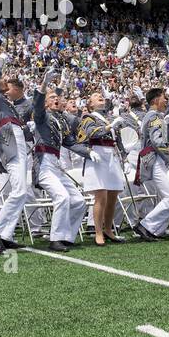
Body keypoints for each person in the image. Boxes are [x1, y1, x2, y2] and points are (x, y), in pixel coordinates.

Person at [32, 71, 88, 251]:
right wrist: (43, 84)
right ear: (46, 102)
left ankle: (67, 237)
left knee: (79, 201)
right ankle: (55, 239)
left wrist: (89, 152)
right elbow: (37, 104)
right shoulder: (42, 116)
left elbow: (70, 142)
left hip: (56, 164)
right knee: (62, 197)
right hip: (43, 164)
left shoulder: (61, 121)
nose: (56, 99)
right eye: (52, 97)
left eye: (58, 97)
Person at [0, 56, 29, 254]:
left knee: (21, 191)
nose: (6, 82)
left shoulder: (6, 102)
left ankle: (6, 235)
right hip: (10, 141)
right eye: (4, 80)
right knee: (19, 190)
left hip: (17, 139)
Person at [133, 87, 169, 243]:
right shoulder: (155, 117)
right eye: (164, 98)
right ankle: (146, 226)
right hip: (155, 159)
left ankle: (155, 229)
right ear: (155, 100)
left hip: (155, 158)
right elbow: (157, 141)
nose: (166, 101)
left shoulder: (153, 115)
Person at [77, 89, 124, 246]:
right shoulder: (88, 117)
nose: (100, 98)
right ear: (90, 104)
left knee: (113, 195)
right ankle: (98, 232)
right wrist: (110, 126)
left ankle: (108, 229)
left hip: (111, 154)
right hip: (97, 154)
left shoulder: (108, 117)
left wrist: (123, 156)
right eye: (96, 97)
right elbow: (92, 133)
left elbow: (117, 139)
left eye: (101, 96)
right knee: (101, 196)